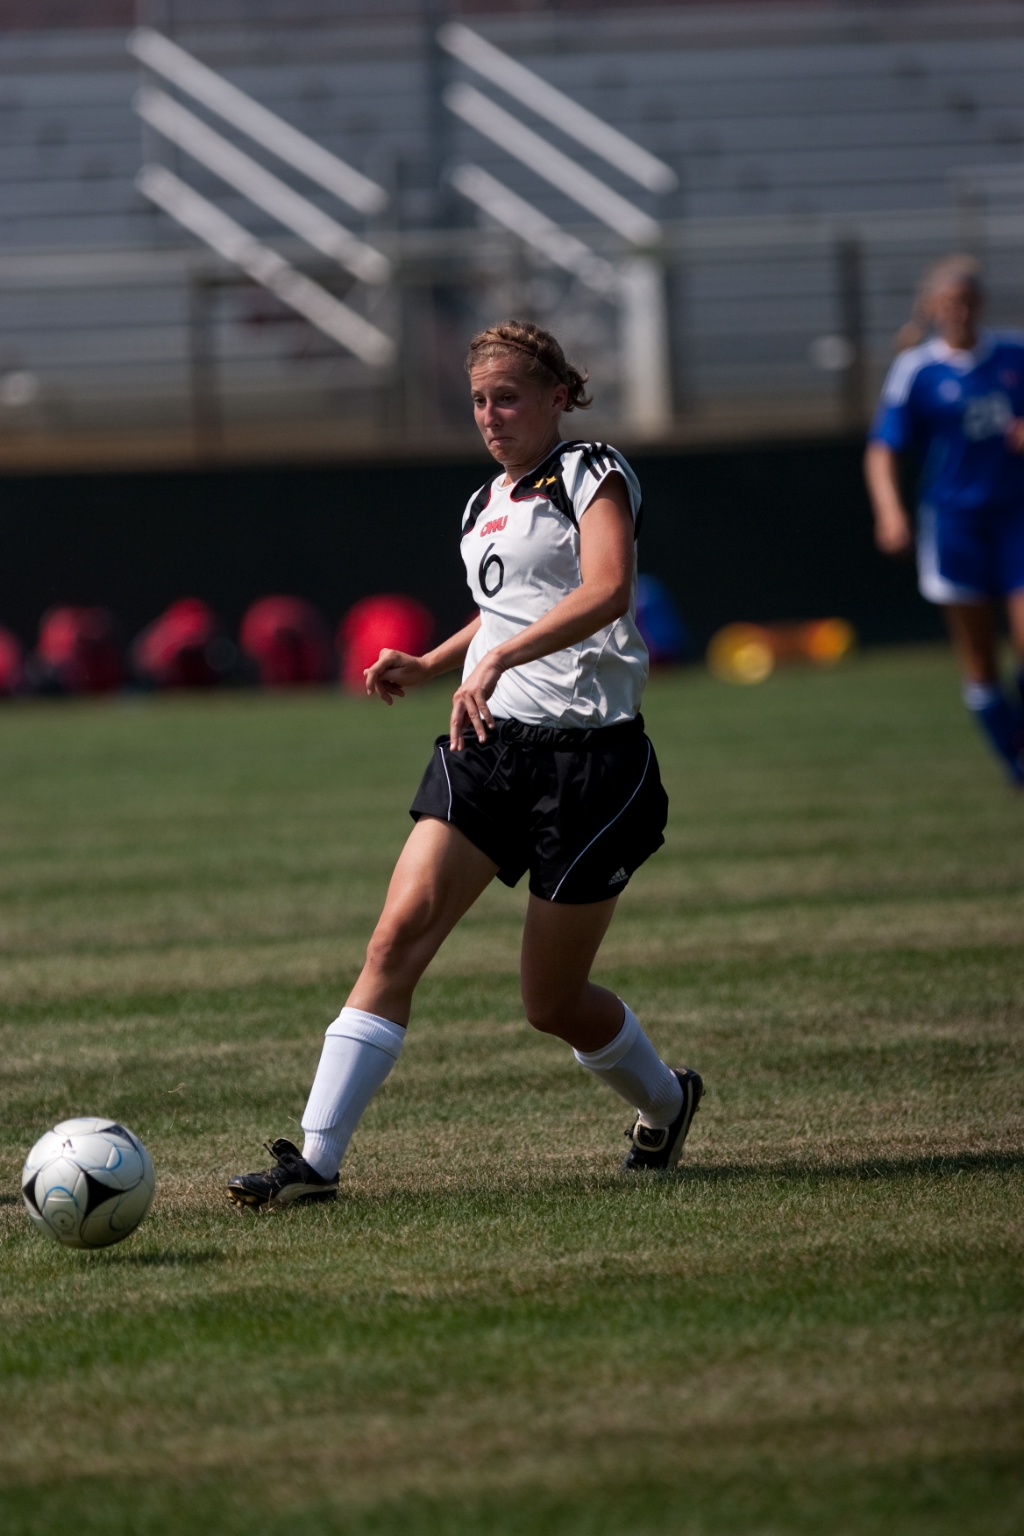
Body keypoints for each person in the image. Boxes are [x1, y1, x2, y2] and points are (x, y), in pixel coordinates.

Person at [226, 320, 702, 1209]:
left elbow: (606, 591)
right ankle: (316, 1163)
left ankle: (668, 1103)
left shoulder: (591, 471)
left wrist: (496, 660)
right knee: (395, 936)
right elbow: (503, 611)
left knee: (550, 1003)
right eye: (480, 400)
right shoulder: (484, 500)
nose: (491, 415)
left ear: (558, 398)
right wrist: (434, 661)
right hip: (489, 747)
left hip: (592, 765)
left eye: (509, 398)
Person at [865, 254, 1024, 784]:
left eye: (966, 301)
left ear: (980, 304)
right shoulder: (917, 370)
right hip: (955, 523)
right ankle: (1012, 760)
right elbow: (883, 449)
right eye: (948, 302)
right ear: (933, 307)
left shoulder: (1014, 355)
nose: (958, 311)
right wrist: (890, 512)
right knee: (980, 658)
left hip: (1016, 516)